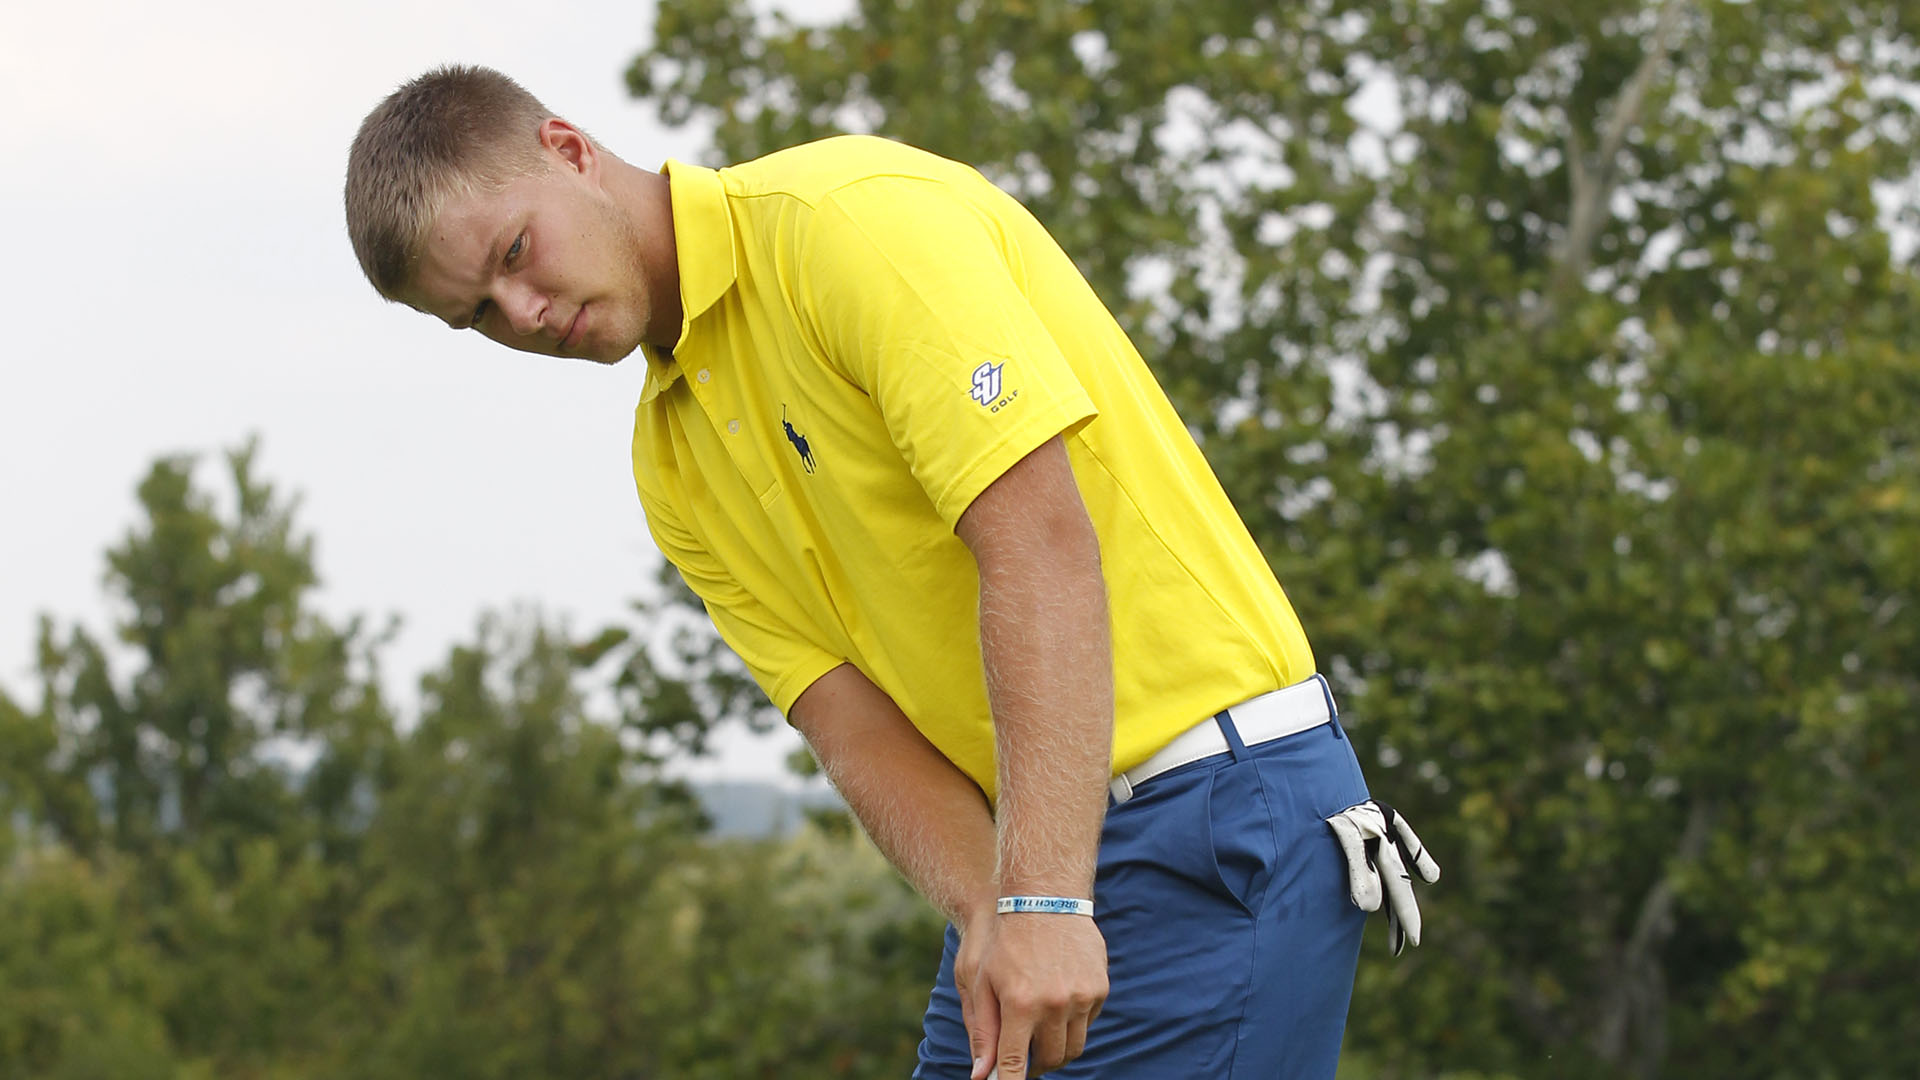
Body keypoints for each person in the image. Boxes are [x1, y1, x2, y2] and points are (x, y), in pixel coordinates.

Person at [344, 65, 1437, 1080]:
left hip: (1217, 812)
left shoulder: (848, 225)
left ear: (569, 150)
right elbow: (849, 722)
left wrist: (1046, 897)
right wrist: (990, 910)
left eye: (516, 253)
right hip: (1040, 861)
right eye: (478, 313)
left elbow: (1040, 545)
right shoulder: (670, 462)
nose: (524, 315)